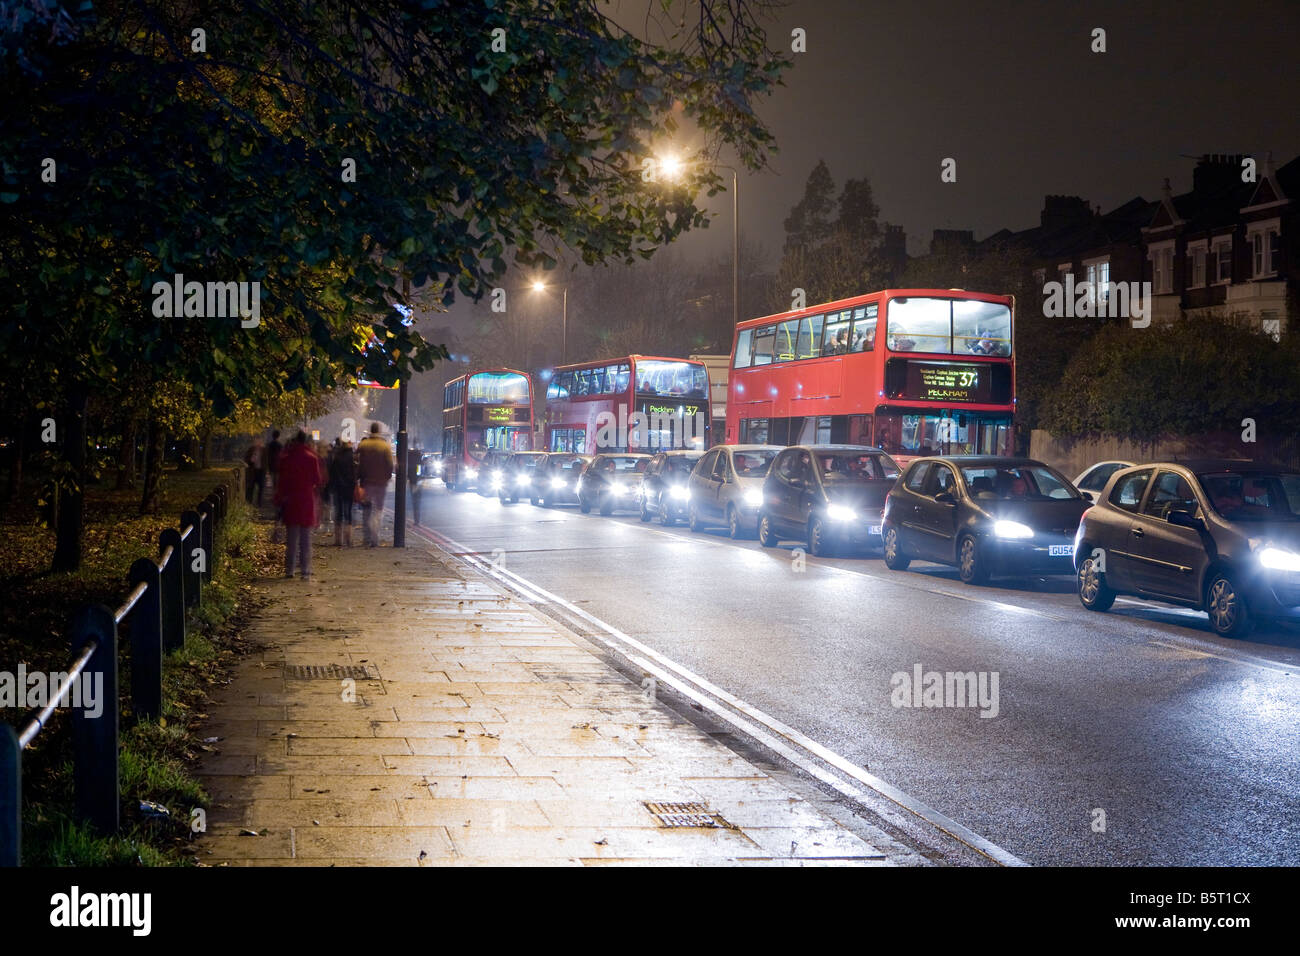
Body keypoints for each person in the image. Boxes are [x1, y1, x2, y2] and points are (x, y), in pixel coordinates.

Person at [274, 431, 323, 579]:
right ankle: (305, 570)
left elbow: (282, 481)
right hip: (307, 501)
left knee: (291, 539)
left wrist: (279, 498)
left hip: (291, 500)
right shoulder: (312, 458)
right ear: (306, 442)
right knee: (306, 540)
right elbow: (317, 480)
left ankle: (289, 570)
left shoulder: (287, 458)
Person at [357, 422, 394, 547]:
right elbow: (390, 465)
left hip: (366, 482)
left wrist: (359, 477)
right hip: (381, 483)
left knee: (366, 510)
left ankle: (366, 538)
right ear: (379, 431)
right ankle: (374, 538)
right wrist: (387, 477)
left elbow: (358, 462)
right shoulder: (384, 446)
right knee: (378, 510)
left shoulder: (363, 445)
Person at [328, 437, 358, 546]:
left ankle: (338, 540)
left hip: (338, 488)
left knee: (339, 512)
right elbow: (356, 473)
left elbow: (332, 473)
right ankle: (348, 539)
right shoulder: (353, 457)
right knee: (349, 512)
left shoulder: (337, 457)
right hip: (349, 488)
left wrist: (331, 487)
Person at [243, 438, 265, 505]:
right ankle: (249, 501)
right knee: (251, 487)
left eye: (259, 441)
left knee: (261, 487)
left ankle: (259, 502)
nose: (258, 442)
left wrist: (266, 469)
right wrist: (250, 461)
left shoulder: (264, 450)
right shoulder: (251, 449)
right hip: (253, 471)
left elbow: (266, 460)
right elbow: (246, 458)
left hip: (261, 470)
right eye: (257, 441)